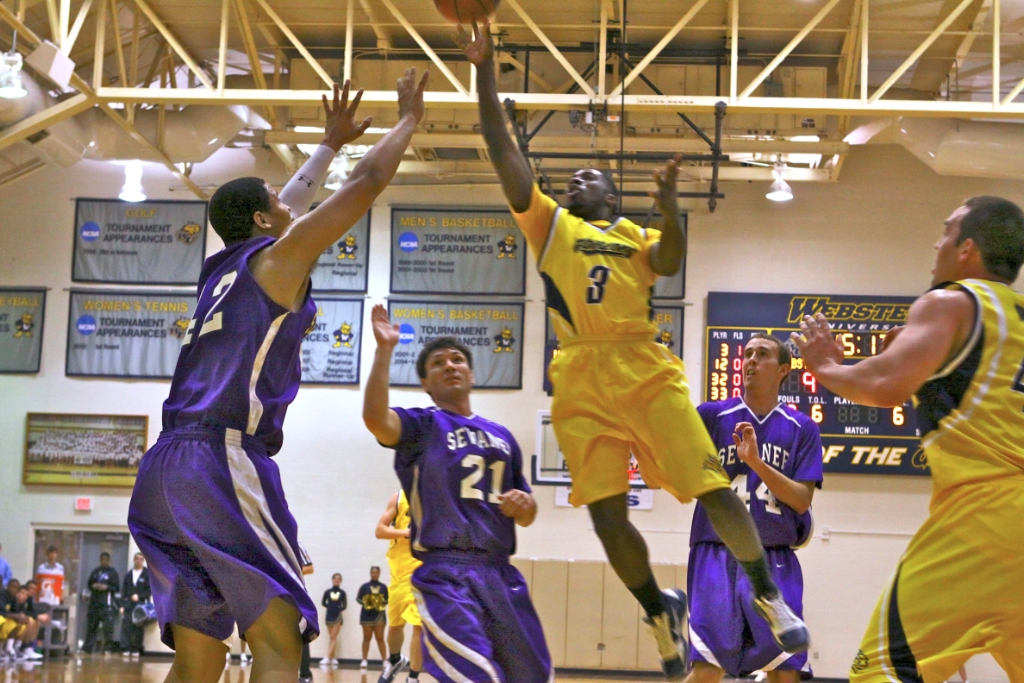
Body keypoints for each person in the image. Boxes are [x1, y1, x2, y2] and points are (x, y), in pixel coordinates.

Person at [455, 20, 809, 680]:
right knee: (607, 519)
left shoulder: (632, 234)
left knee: (712, 485)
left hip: (644, 365)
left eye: (588, 175)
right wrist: (483, 69)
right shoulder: (549, 224)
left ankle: (766, 593)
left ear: (611, 194)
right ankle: (658, 608)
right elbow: (505, 152)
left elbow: (669, 259)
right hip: (581, 375)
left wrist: (672, 209)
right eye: (569, 178)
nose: (574, 180)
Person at [126, 68, 428, 683]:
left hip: (162, 468)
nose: (289, 203)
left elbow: (280, 204)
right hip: (220, 458)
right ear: (264, 223)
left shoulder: (221, 269)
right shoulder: (273, 263)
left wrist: (327, 143)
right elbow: (369, 182)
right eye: (277, 201)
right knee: (279, 630)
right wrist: (408, 121)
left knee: (198, 652)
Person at [792, 196, 1024, 682]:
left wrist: (827, 365)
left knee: (880, 669)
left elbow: (884, 386)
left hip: (988, 520)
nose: (936, 244)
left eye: (946, 232)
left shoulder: (952, 301)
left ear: (967, 249)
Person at [363, 308, 553, 683]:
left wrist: (525, 504)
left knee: (532, 676)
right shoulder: (423, 425)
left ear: (471, 374)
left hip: (500, 571)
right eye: (438, 363)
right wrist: (384, 351)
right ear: (425, 383)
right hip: (446, 573)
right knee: (475, 676)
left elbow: (527, 511)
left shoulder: (503, 436)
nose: (450, 365)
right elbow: (375, 419)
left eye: (458, 360)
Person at [686, 334, 823, 683]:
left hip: (774, 555)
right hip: (716, 552)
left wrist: (756, 463)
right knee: (707, 667)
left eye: (761, 355)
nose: (750, 361)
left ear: (782, 370)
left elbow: (801, 499)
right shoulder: (712, 415)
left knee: (785, 668)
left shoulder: (801, 428)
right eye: (746, 354)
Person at [375, 490, 423, 683]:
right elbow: (379, 531)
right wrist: (406, 533)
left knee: (419, 626)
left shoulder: (439, 497)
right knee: (395, 627)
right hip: (399, 574)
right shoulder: (398, 498)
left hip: (423, 572)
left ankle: (413, 677)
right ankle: (395, 660)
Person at [82, 553, 120, 654]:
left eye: (106, 560)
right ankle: (87, 648)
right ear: (100, 560)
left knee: (108, 628)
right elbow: (89, 584)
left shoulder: (112, 573)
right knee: (91, 627)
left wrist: (106, 587)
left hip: (106, 605)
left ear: (108, 560)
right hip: (94, 604)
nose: (104, 561)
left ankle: (108, 649)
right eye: (102, 559)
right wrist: (94, 586)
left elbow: (117, 588)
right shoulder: (95, 572)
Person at [120, 552, 152, 657]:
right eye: (137, 559)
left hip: (141, 605)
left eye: (141, 559)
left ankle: (136, 649)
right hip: (129, 604)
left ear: (143, 561)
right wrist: (122, 605)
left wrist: (139, 596)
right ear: (134, 560)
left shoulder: (147, 574)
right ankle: (126, 648)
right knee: (127, 626)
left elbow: (150, 590)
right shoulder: (129, 574)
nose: (139, 561)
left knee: (138, 627)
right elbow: (124, 591)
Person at [356, 566, 388, 670]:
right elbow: (358, 598)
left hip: (379, 615)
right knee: (366, 638)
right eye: (373, 572)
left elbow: (387, 600)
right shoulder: (364, 586)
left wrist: (380, 604)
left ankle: (384, 661)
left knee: (380, 638)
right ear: (370, 573)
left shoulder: (383, 587)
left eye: (376, 572)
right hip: (366, 615)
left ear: (379, 573)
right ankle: (364, 660)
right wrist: (366, 604)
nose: (374, 574)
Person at [320, 573, 346, 668]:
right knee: (332, 637)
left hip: (338, 616)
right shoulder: (327, 592)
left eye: (339, 578)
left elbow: (345, 605)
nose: (337, 580)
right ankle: (333, 658)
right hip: (329, 615)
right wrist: (330, 607)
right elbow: (323, 602)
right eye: (335, 578)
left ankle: (327, 657)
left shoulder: (342, 593)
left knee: (334, 637)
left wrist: (337, 608)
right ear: (332, 579)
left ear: (341, 581)